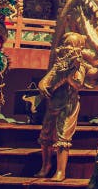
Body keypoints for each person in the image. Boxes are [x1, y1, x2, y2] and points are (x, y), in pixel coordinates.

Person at [36, 32, 87, 181]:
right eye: (66, 44)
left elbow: (78, 84)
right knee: (45, 136)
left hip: (68, 104)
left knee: (62, 138)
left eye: (71, 45)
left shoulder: (79, 65)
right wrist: (43, 85)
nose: (68, 48)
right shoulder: (58, 64)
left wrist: (70, 73)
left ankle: (60, 171)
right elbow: (46, 80)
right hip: (53, 103)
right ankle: (46, 165)